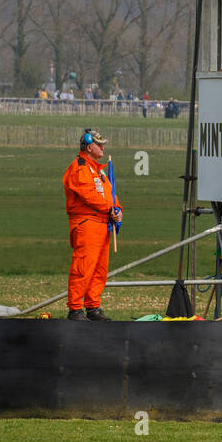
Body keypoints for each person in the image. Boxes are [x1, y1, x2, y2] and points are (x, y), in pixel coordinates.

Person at [62, 128, 121, 321]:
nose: (103, 146)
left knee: (99, 269)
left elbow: (111, 197)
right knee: (83, 267)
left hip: (103, 224)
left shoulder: (100, 172)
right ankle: (75, 309)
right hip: (86, 223)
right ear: (89, 147)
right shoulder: (78, 168)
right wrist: (109, 208)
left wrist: (118, 211)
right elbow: (89, 195)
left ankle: (93, 307)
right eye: (99, 144)